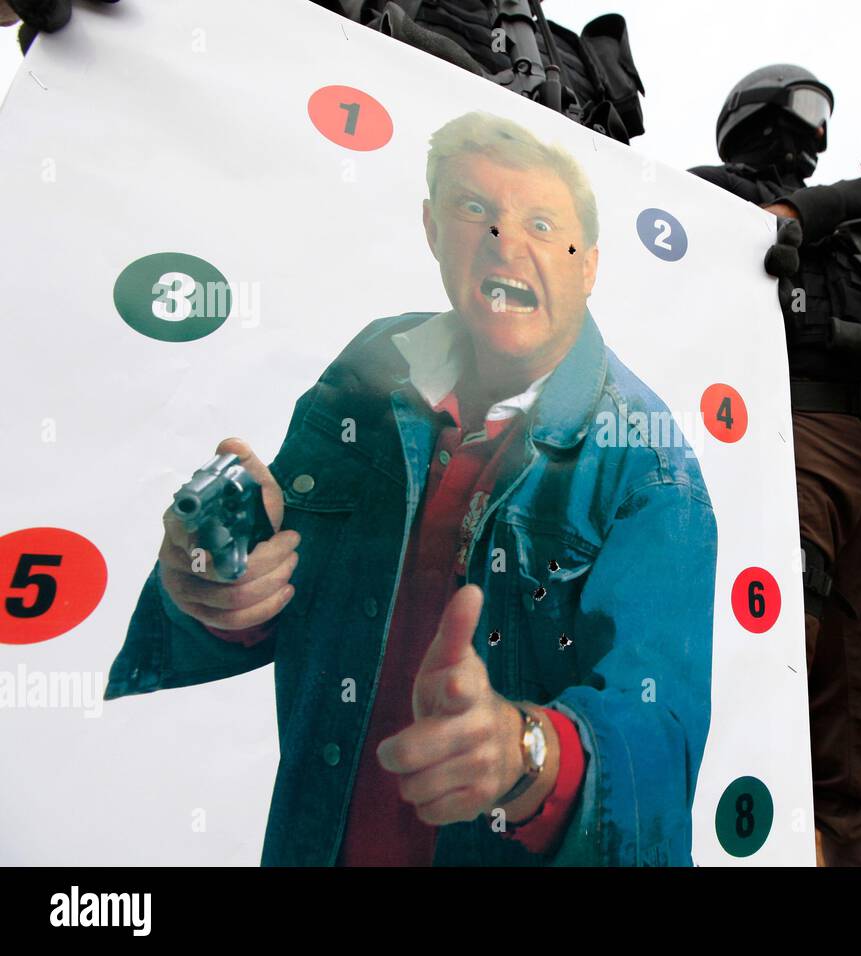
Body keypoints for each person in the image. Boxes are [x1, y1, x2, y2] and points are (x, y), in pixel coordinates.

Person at [106, 110, 718, 867]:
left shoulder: (650, 460)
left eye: (539, 222)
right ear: (432, 229)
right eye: (474, 210)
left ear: (587, 265)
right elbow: (272, 611)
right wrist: (217, 587)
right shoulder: (372, 363)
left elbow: (662, 738)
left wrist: (523, 755)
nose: (505, 243)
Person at [689, 64, 861, 867]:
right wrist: (844, 205)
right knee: (785, 630)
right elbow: (730, 239)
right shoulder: (713, 186)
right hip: (790, 419)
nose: (814, 132)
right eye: (802, 111)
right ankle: (747, 824)